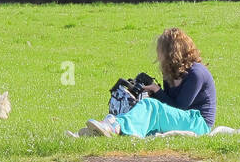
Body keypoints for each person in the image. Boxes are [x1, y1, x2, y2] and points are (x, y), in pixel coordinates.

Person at [82, 28, 215, 137]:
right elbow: (169, 107)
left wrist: (157, 91)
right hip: (183, 119)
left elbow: (179, 108)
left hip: (199, 123)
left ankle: (115, 126)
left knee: (151, 106)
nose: (158, 56)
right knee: (144, 105)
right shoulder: (170, 72)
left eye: (160, 51)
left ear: (172, 52)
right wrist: (152, 92)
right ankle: (108, 127)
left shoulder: (197, 73)